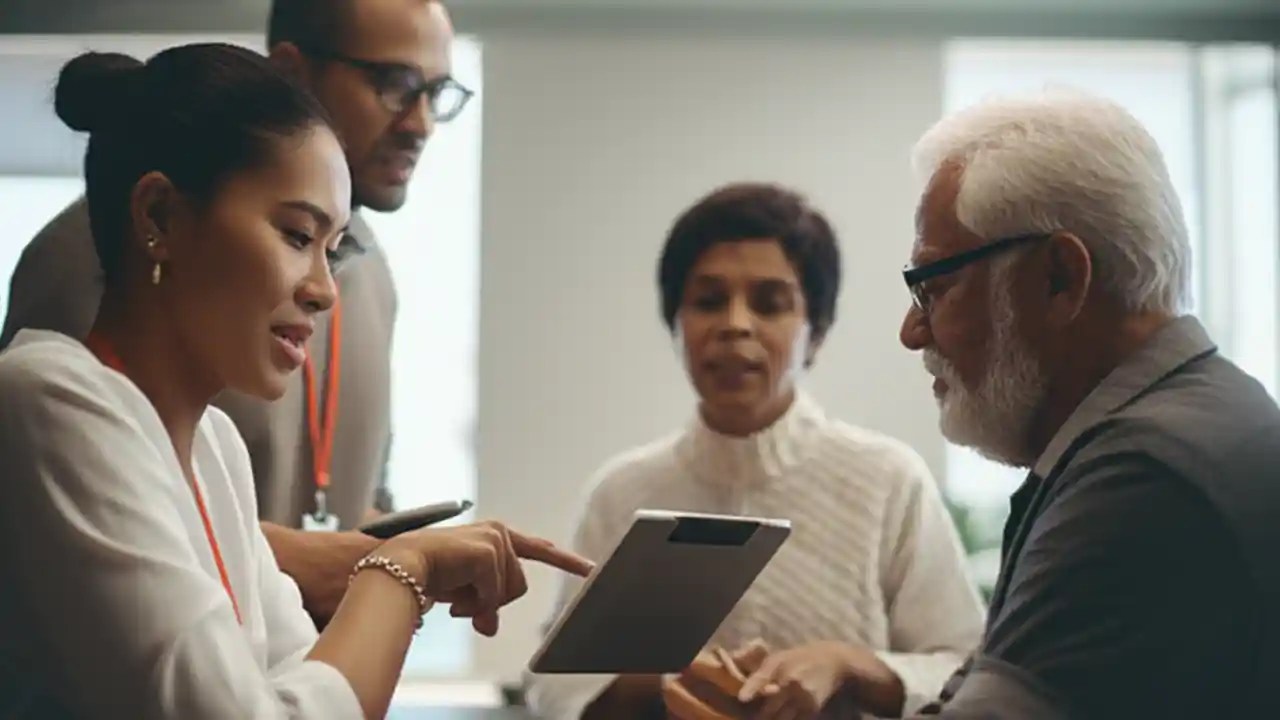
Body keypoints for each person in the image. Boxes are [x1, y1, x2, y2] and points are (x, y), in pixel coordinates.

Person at [0, 45, 589, 720]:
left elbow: (307, 684)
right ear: (159, 217)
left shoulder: (215, 447)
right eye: (297, 235)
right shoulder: (47, 398)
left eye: (332, 250)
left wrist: (397, 572)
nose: (324, 290)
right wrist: (401, 569)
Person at [0, 0, 472, 625]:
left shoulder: (372, 274)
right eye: (394, 84)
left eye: (436, 93)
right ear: (292, 71)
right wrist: (299, 563)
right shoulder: (87, 254)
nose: (420, 123)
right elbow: (48, 502)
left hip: (302, 658)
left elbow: (357, 494)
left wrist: (393, 552)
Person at [525, 183, 984, 720]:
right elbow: (551, 687)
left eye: (770, 304)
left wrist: (847, 666)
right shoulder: (621, 493)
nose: (735, 324)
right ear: (675, 324)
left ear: (816, 333)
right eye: (708, 301)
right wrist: (664, 681)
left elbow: (966, 670)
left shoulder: (888, 480)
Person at [898, 89, 1280, 719]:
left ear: (1059, 280)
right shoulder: (1207, 419)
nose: (913, 332)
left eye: (934, 287)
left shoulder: (1145, 479)